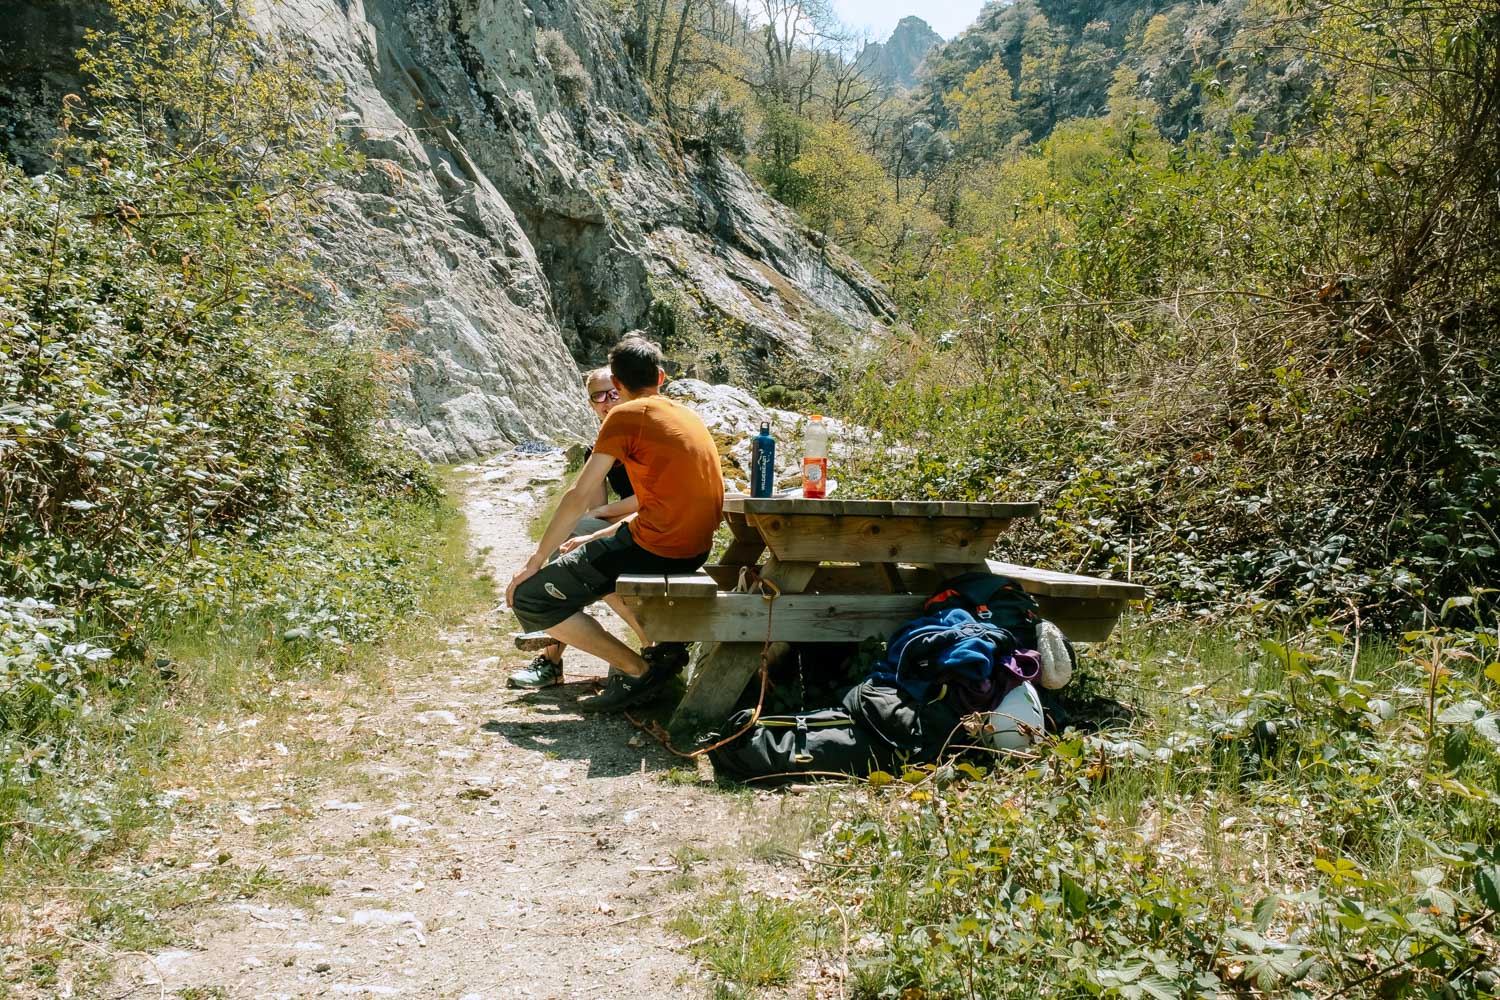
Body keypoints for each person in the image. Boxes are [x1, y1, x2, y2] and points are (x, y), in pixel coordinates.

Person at [505, 336, 724, 711]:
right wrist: (604, 531)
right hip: (694, 547)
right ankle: (653, 650)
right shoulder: (685, 415)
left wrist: (534, 561)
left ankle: (641, 671)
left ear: (619, 386)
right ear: (661, 375)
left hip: (656, 549)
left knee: (528, 599)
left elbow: (578, 494)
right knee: (586, 548)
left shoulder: (625, 415)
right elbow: (667, 500)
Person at [507, 368, 639, 688]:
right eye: (598, 396)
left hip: (649, 523)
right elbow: (593, 509)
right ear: (591, 403)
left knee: (577, 543)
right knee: (577, 539)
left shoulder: (643, 434)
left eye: (614, 393)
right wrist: (593, 524)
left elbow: (651, 499)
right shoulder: (599, 449)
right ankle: (552, 645)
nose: (607, 401)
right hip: (623, 525)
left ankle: (550, 653)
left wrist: (603, 515)